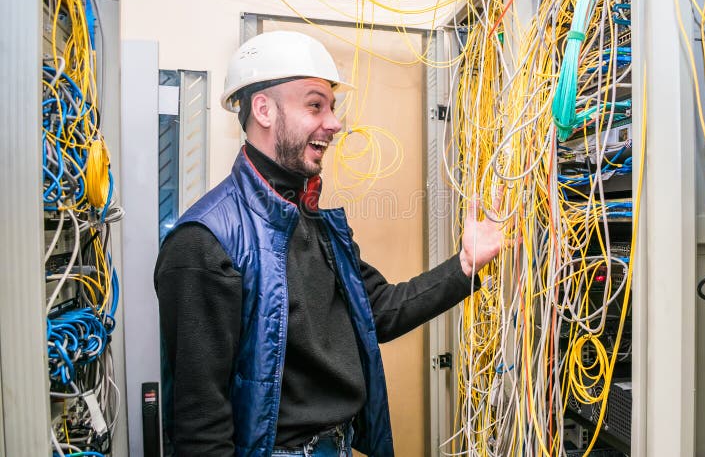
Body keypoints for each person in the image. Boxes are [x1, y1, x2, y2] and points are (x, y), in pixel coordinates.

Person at [154, 30, 504, 457]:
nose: (334, 123)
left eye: (332, 107)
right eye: (315, 105)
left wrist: (465, 265)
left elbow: (380, 311)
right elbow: (200, 428)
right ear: (263, 110)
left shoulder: (310, 218)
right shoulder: (204, 242)